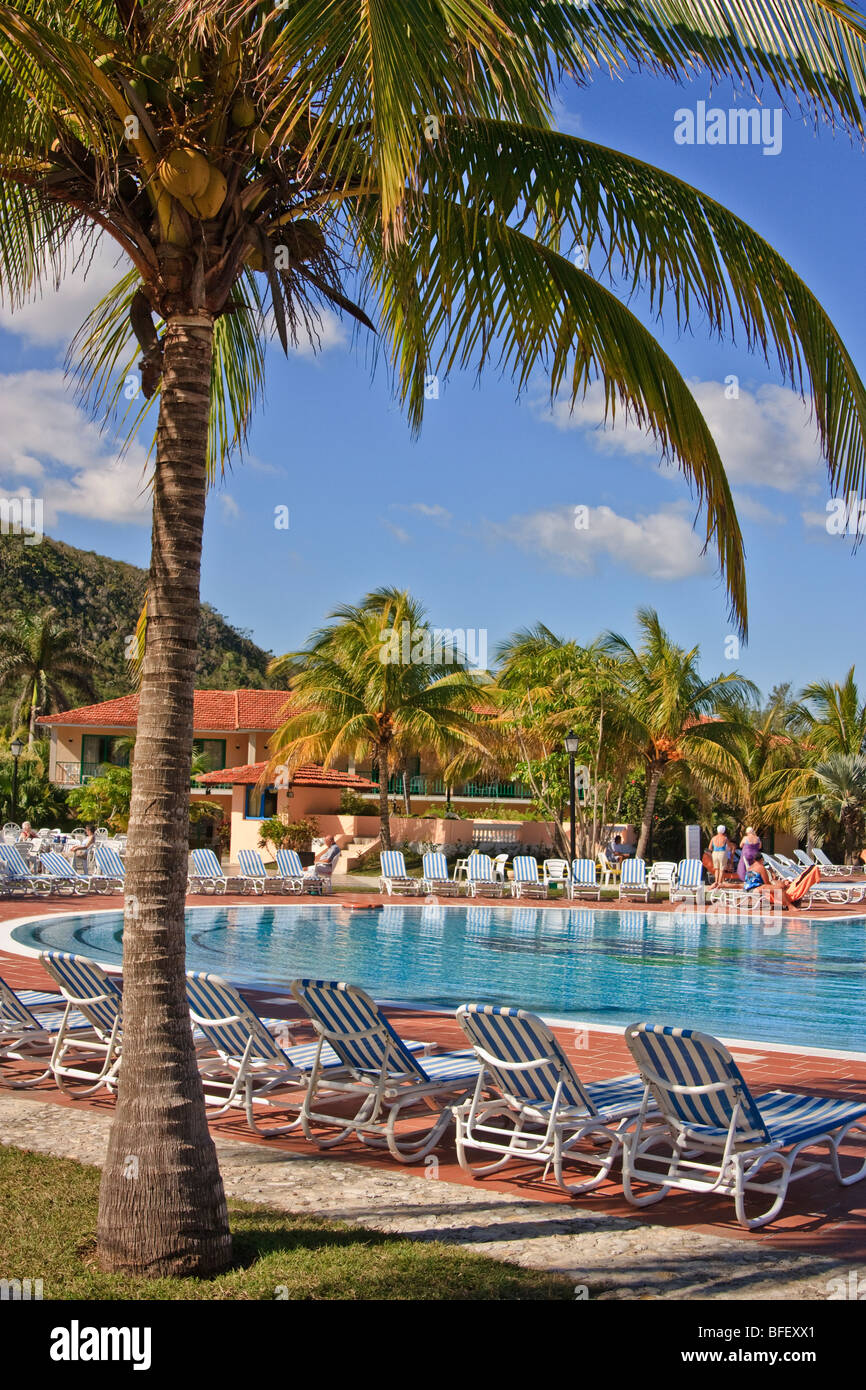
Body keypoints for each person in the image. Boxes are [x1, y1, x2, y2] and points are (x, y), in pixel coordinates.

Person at [707, 824, 729, 888]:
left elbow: (710, 848)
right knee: (722, 869)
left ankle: (716, 881)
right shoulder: (725, 838)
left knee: (716, 869)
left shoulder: (713, 838)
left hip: (715, 853)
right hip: (722, 853)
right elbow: (729, 847)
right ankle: (719, 883)